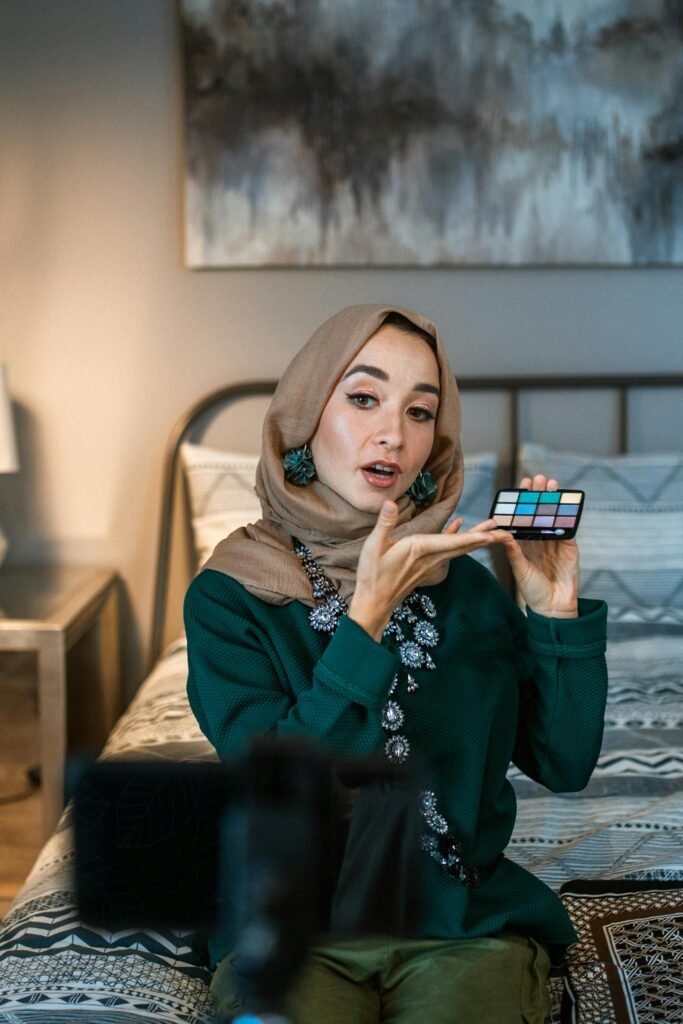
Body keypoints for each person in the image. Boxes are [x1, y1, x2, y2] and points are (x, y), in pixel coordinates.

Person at [183, 304, 608, 1024]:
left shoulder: (467, 588)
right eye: (363, 398)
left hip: (463, 928)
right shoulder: (229, 598)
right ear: (304, 417)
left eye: (420, 412)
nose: (394, 434)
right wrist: (365, 622)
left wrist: (553, 612)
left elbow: (563, 763)